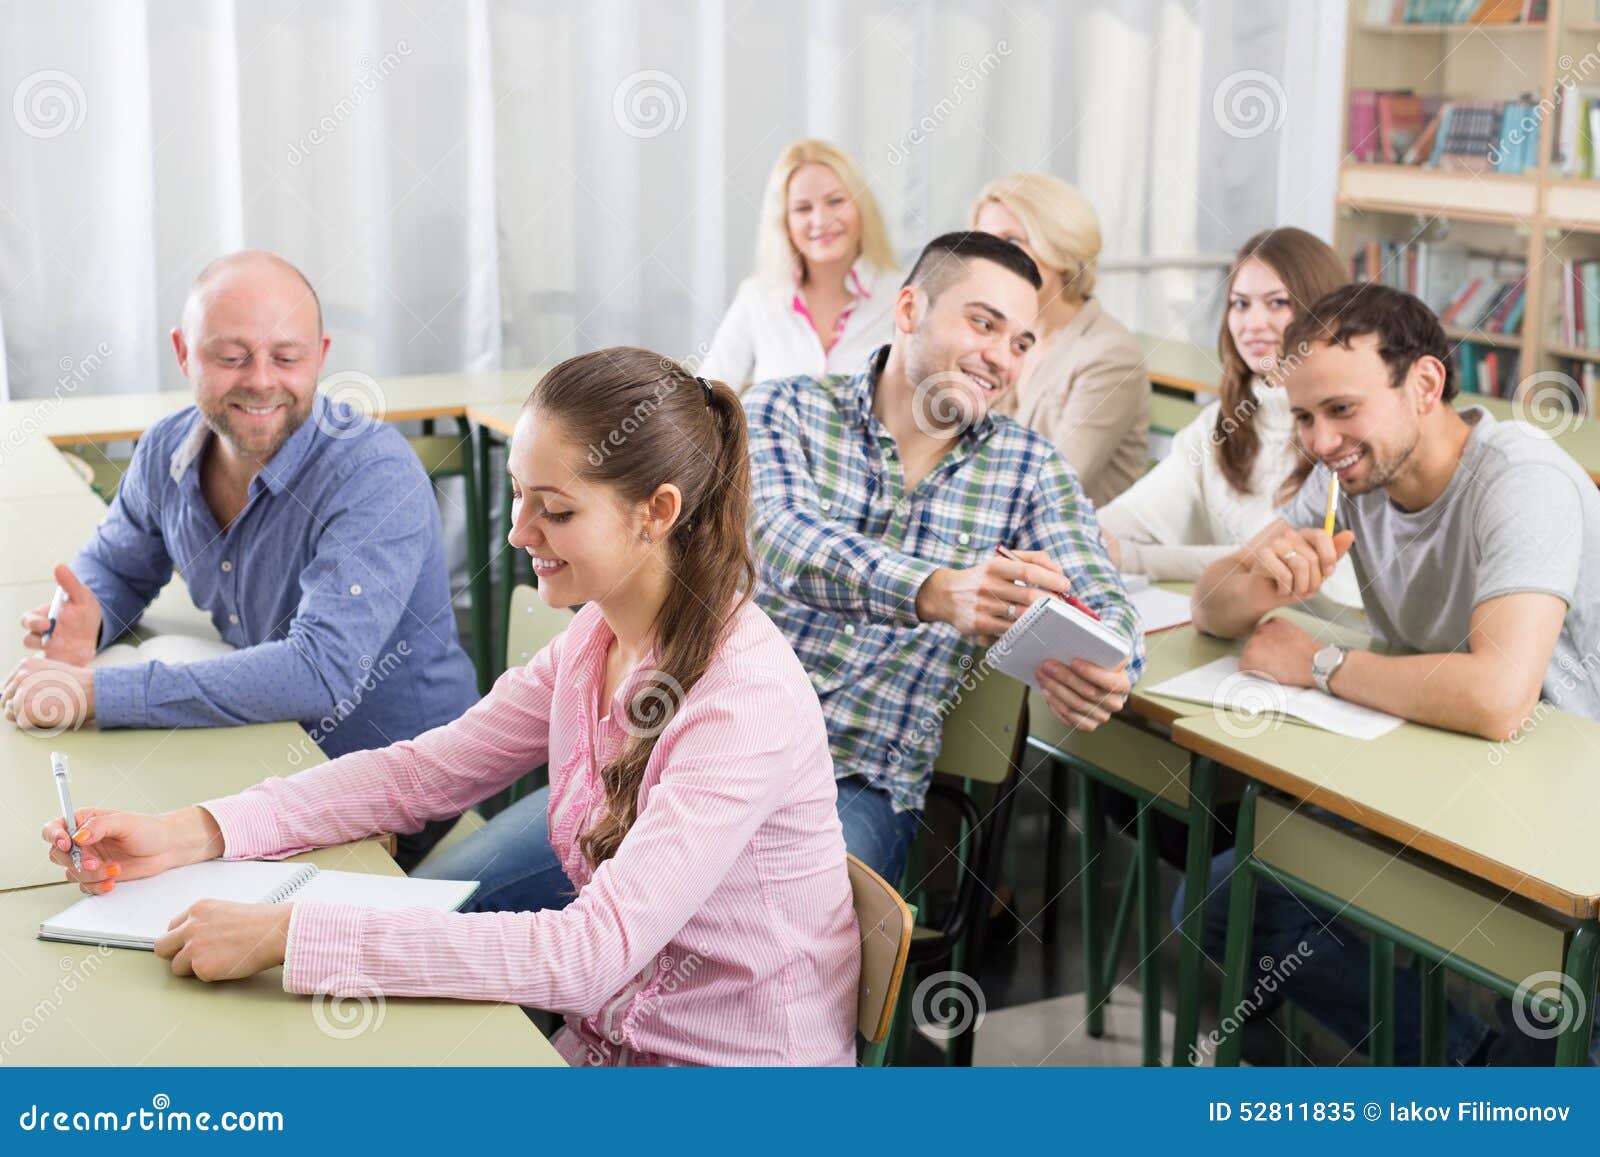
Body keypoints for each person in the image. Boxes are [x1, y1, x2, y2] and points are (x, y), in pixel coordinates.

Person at [39, 349, 860, 1068]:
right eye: (518, 495)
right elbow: (424, 772)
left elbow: (590, 953)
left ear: (659, 512)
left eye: (556, 509)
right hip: (607, 1050)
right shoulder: (597, 637)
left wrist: (292, 934)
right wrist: (191, 831)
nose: (518, 532)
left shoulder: (741, 699)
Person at [1186, 282, 1600, 1064]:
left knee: (1550, 1037)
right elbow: (1210, 607)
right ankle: (1463, 1063)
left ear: (1425, 384)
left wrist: (1320, 663)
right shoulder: (1349, 474)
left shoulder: (1522, 479)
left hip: (1566, 816)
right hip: (1435, 769)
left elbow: (1497, 698)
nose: (1320, 439)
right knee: (1219, 901)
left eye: (1341, 409)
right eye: (1304, 416)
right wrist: (1263, 581)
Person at [1, 251, 477, 871]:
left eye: (286, 357)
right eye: (230, 357)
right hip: (267, 750)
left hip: (393, 786)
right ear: (183, 353)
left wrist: (99, 693)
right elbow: (116, 567)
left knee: (149, 870)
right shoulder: (167, 448)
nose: (260, 380)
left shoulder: (372, 473)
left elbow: (318, 671)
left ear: (320, 356)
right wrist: (89, 616)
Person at [743, 230, 1144, 882]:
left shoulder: (1031, 470)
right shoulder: (783, 408)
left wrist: (1111, 662)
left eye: (1021, 343)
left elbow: (1103, 595)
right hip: (709, 741)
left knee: (777, 913)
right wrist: (933, 590)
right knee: (569, 887)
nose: (1001, 358)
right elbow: (781, 540)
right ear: (909, 311)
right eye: (984, 324)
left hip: (857, 781)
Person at [1100, 227, 1360, 611]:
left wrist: (1133, 557)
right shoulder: (1220, 423)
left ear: (1322, 312)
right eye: (1240, 304)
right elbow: (1133, 514)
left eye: (1277, 303)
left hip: (1324, 630)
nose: (1253, 323)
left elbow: (1265, 562)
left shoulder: (1346, 434)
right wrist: (1080, 534)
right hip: (1236, 625)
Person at [970, 172, 1146, 508]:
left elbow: (1053, 484)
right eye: (982, 243)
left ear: (1061, 249)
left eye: (1011, 243)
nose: (991, 260)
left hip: (1067, 533)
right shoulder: (997, 335)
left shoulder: (1110, 354)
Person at [700, 139, 898, 390]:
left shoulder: (900, 296)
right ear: (784, 222)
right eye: (803, 208)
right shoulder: (757, 297)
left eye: (836, 201)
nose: (821, 220)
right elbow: (707, 392)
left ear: (862, 207)